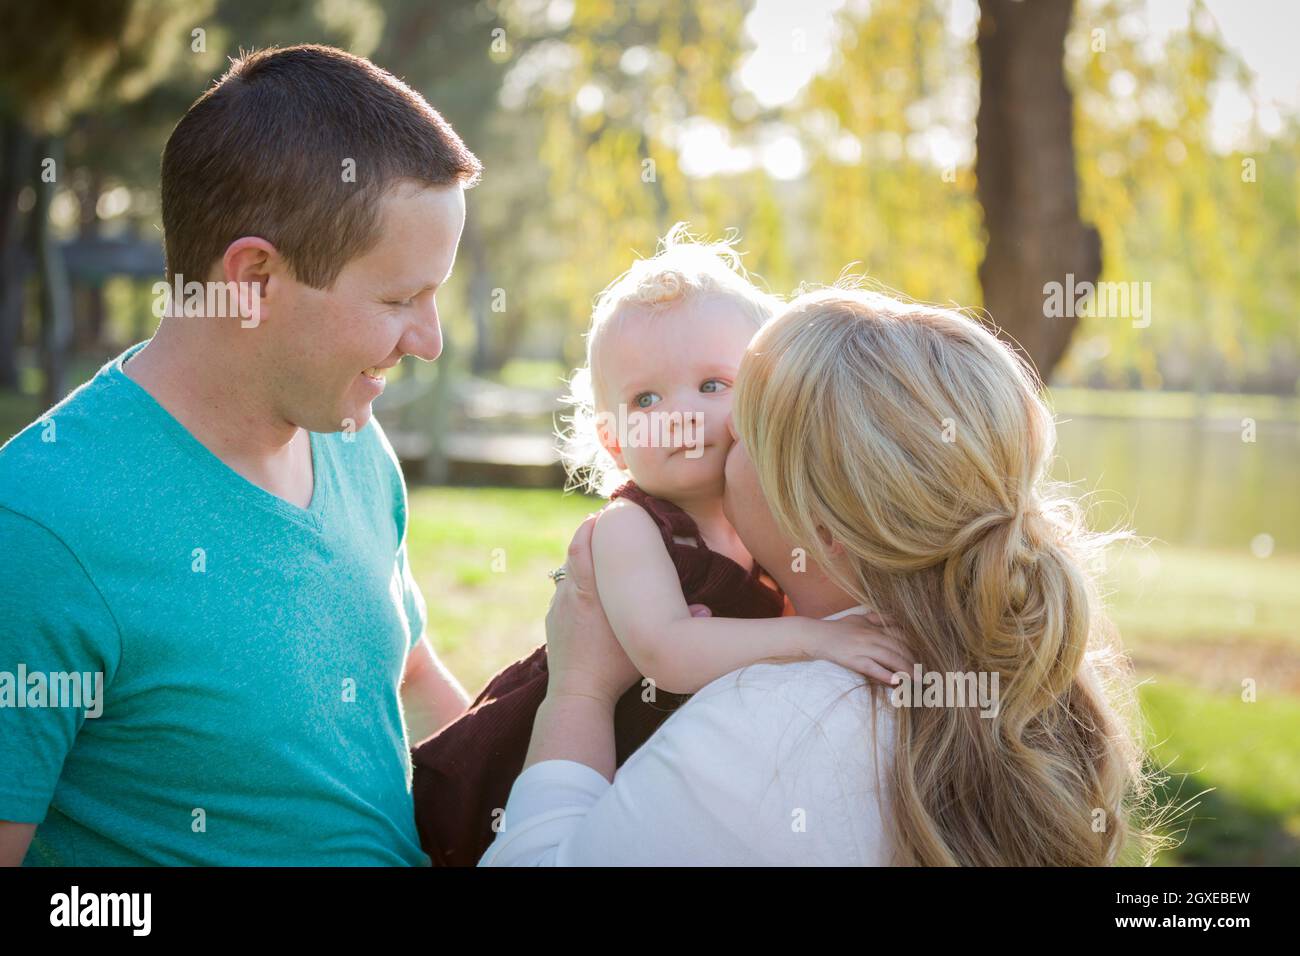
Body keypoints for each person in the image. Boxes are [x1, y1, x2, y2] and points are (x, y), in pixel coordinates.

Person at [480, 285, 1158, 866]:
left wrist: (580, 691)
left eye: (740, 425)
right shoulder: (1009, 672)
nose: (707, 437)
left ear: (821, 526)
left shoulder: (769, 730)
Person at [0, 45, 478, 866]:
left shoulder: (355, 443)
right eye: (401, 299)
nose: (429, 341)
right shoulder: (38, 528)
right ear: (253, 279)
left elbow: (410, 682)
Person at [411, 228, 906, 865]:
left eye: (711, 386)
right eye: (647, 399)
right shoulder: (630, 528)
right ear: (613, 439)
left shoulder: (765, 526)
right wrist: (820, 639)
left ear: (763, 399)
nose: (681, 414)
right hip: (553, 766)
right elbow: (669, 651)